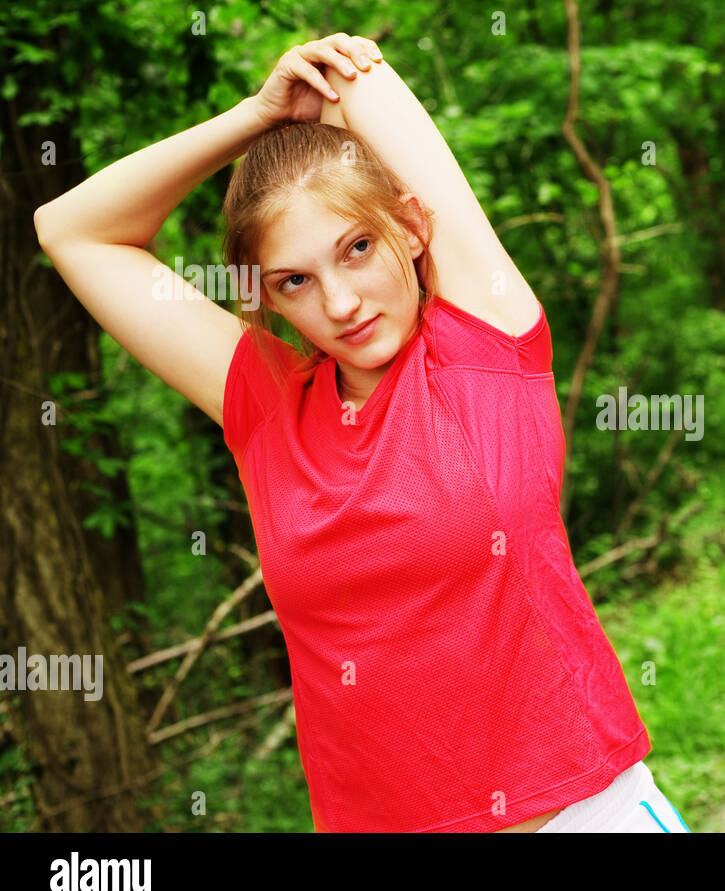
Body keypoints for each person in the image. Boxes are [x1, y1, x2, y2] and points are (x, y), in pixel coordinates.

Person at [34, 33, 690, 834]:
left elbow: (358, 73)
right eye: (296, 281)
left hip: (578, 817)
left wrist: (314, 86)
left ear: (412, 230)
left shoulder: (486, 345)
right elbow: (72, 230)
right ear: (268, 298)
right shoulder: (268, 409)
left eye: (358, 248)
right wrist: (251, 117)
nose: (341, 302)